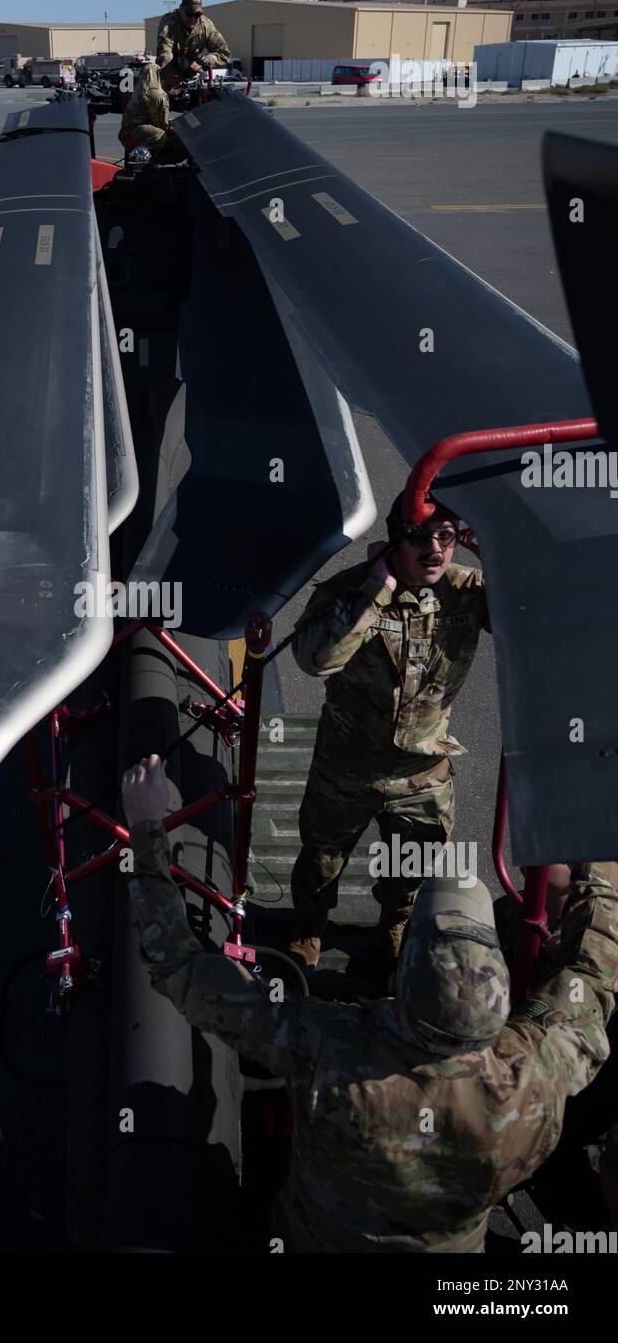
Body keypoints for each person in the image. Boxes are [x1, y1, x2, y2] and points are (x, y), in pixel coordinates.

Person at [122, 754, 618, 1252]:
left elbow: (177, 966)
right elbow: (593, 973)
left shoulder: (324, 1047)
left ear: (402, 981)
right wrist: (592, 862)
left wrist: (146, 828)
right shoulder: (537, 1078)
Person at [287, 492, 489, 973]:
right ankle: (310, 924)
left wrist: (493, 553)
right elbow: (315, 660)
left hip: (422, 772)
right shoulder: (350, 590)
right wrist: (375, 588)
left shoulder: (469, 590)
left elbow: (535, 617)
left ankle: (394, 922)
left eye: (446, 536)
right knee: (322, 856)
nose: (436, 550)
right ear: (396, 539)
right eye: (421, 537)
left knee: (412, 864)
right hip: (347, 763)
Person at [156, 0, 231, 91]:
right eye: (189, 14)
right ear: (181, 9)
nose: (193, 19)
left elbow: (224, 53)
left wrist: (208, 59)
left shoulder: (205, 26)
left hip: (193, 77)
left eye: (197, 14)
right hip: (171, 76)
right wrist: (171, 78)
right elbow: (164, 56)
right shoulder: (170, 23)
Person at [118, 62, 187, 164]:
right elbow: (163, 126)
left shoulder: (151, 68)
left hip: (129, 124)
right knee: (161, 136)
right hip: (131, 135)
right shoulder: (159, 97)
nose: (177, 85)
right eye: (178, 82)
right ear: (175, 77)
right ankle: (146, 160)